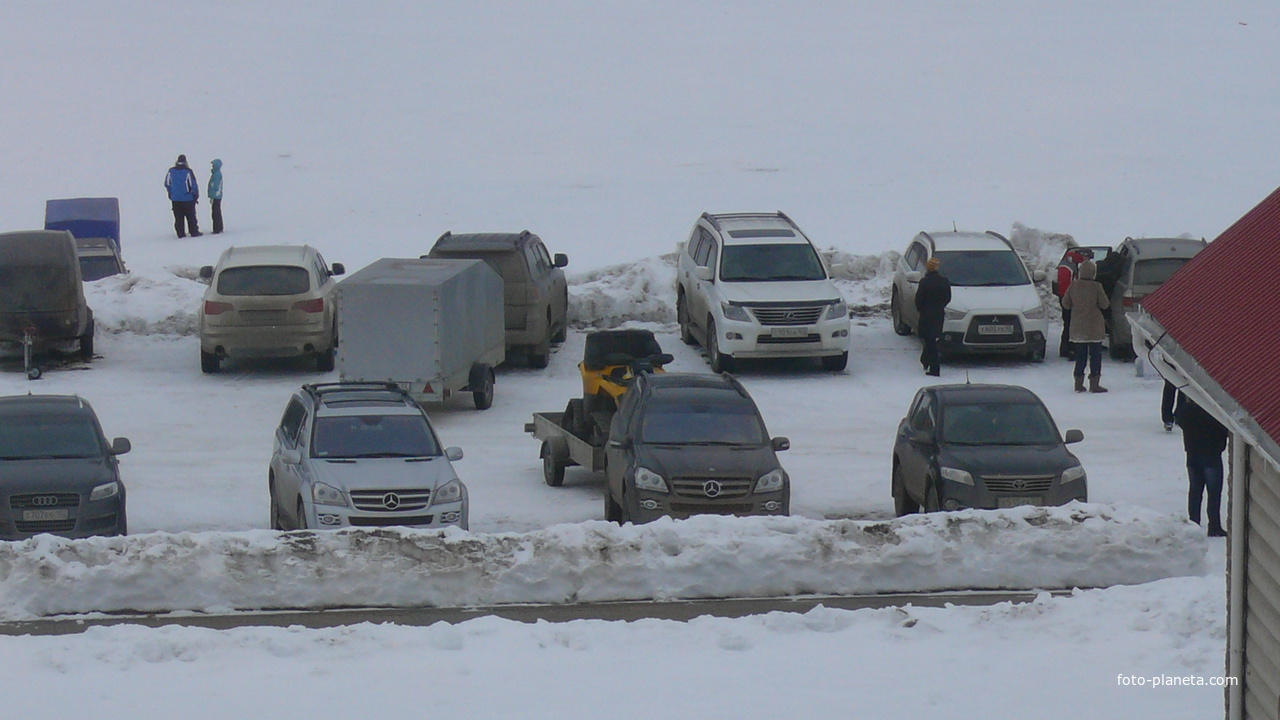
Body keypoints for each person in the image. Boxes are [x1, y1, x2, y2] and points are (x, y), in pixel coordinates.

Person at [1175, 391, 1228, 536]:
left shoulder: (1186, 410)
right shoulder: (1214, 412)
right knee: (1214, 493)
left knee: (1195, 491)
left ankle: (1194, 524)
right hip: (1211, 455)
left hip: (1192, 455)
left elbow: (1179, 420)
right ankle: (1214, 525)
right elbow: (1225, 430)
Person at [1060, 258, 1109, 393]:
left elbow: (1065, 304)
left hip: (1078, 327)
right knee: (1095, 355)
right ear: (1093, 272)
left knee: (1080, 356)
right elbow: (1105, 304)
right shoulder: (1097, 286)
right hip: (1094, 327)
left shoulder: (1073, 285)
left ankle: (1078, 384)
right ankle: (1094, 384)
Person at [915, 255, 951, 377]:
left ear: (928, 268)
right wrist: (940, 306)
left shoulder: (924, 282)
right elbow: (948, 298)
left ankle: (934, 368)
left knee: (928, 341)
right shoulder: (944, 281)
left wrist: (922, 309)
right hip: (939, 314)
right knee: (932, 339)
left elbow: (918, 300)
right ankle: (925, 360)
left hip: (926, 314)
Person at [1054, 247, 1091, 359]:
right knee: (1072, 324)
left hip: (1064, 298)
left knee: (1068, 323)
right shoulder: (1071, 267)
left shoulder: (1066, 264)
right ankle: (1071, 349)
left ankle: (1065, 349)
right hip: (1070, 299)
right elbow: (1071, 286)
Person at [164, 154, 201, 238]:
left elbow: (167, 183)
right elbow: (193, 185)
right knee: (191, 216)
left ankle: (180, 233)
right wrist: (195, 195)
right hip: (188, 198)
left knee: (178, 218)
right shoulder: (188, 171)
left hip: (175, 199)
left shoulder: (171, 171)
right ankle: (194, 232)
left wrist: (171, 193)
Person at [208, 158, 224, 234]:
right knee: (216, 212)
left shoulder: (217, 174)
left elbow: (216, 186)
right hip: (216, 196)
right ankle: (218, 228)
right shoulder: (216, 174)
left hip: (216, 197)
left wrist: (213, 196)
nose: (212, 166)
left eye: (213, 165)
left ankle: (217, 229)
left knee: (216, 213)